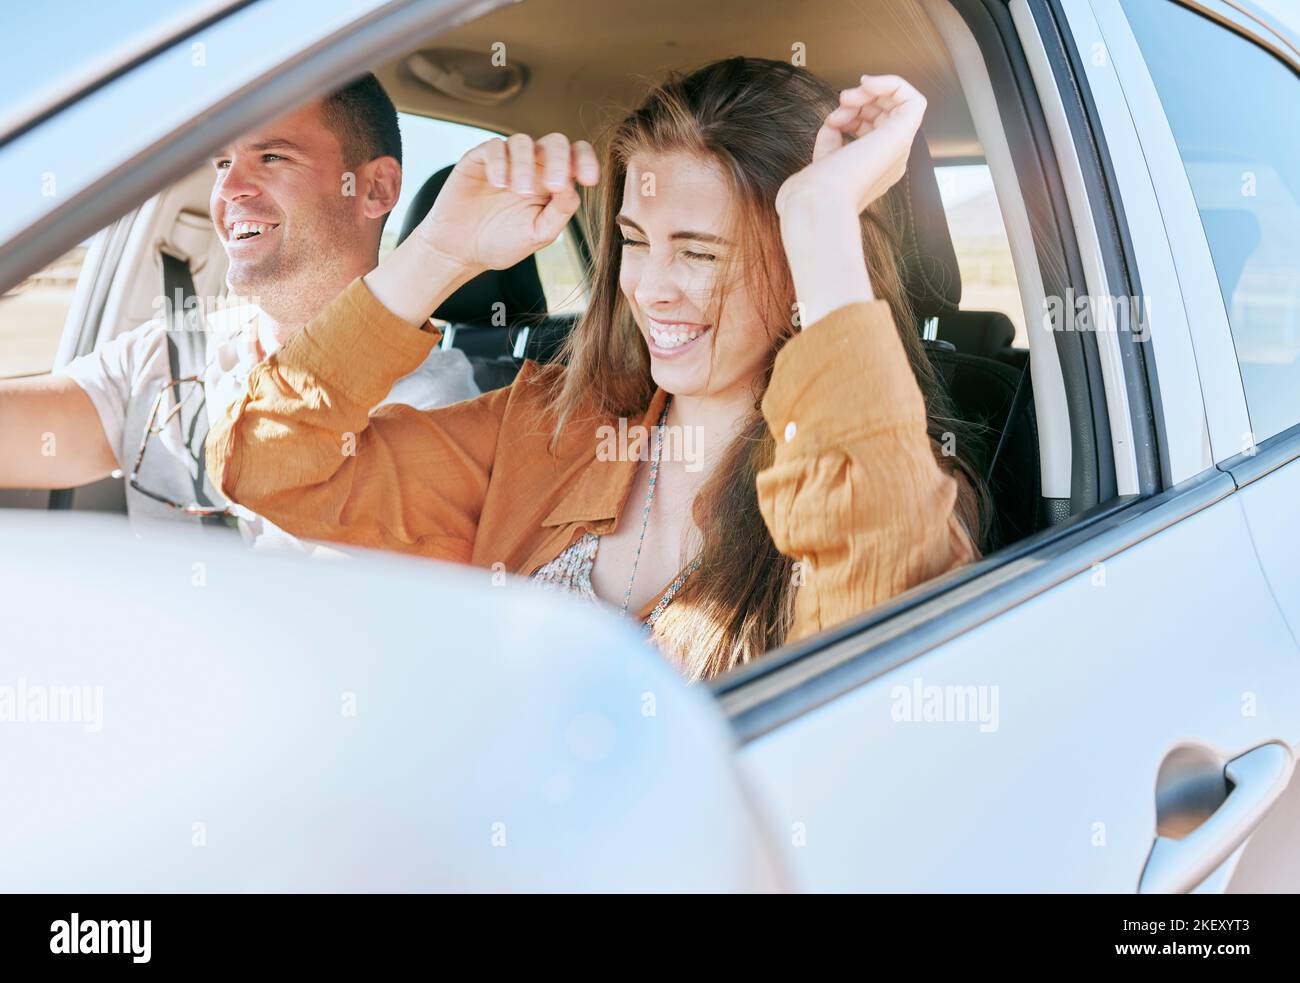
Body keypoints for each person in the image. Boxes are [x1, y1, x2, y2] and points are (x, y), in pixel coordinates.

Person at [206, 58, 988, 676]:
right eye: (637, 240)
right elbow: (268, 463)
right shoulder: (548, 426)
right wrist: (437, 255)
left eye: (700, 251)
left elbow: (886, 627)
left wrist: (822, 219)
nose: (649, 286)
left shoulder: (882, 476)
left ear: (798, 267)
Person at [0, 74, 478, 547]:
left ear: (375, 188)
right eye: (222, 162)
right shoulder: (167, 356)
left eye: (272, 157)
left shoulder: (433, 412)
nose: (229, 188)